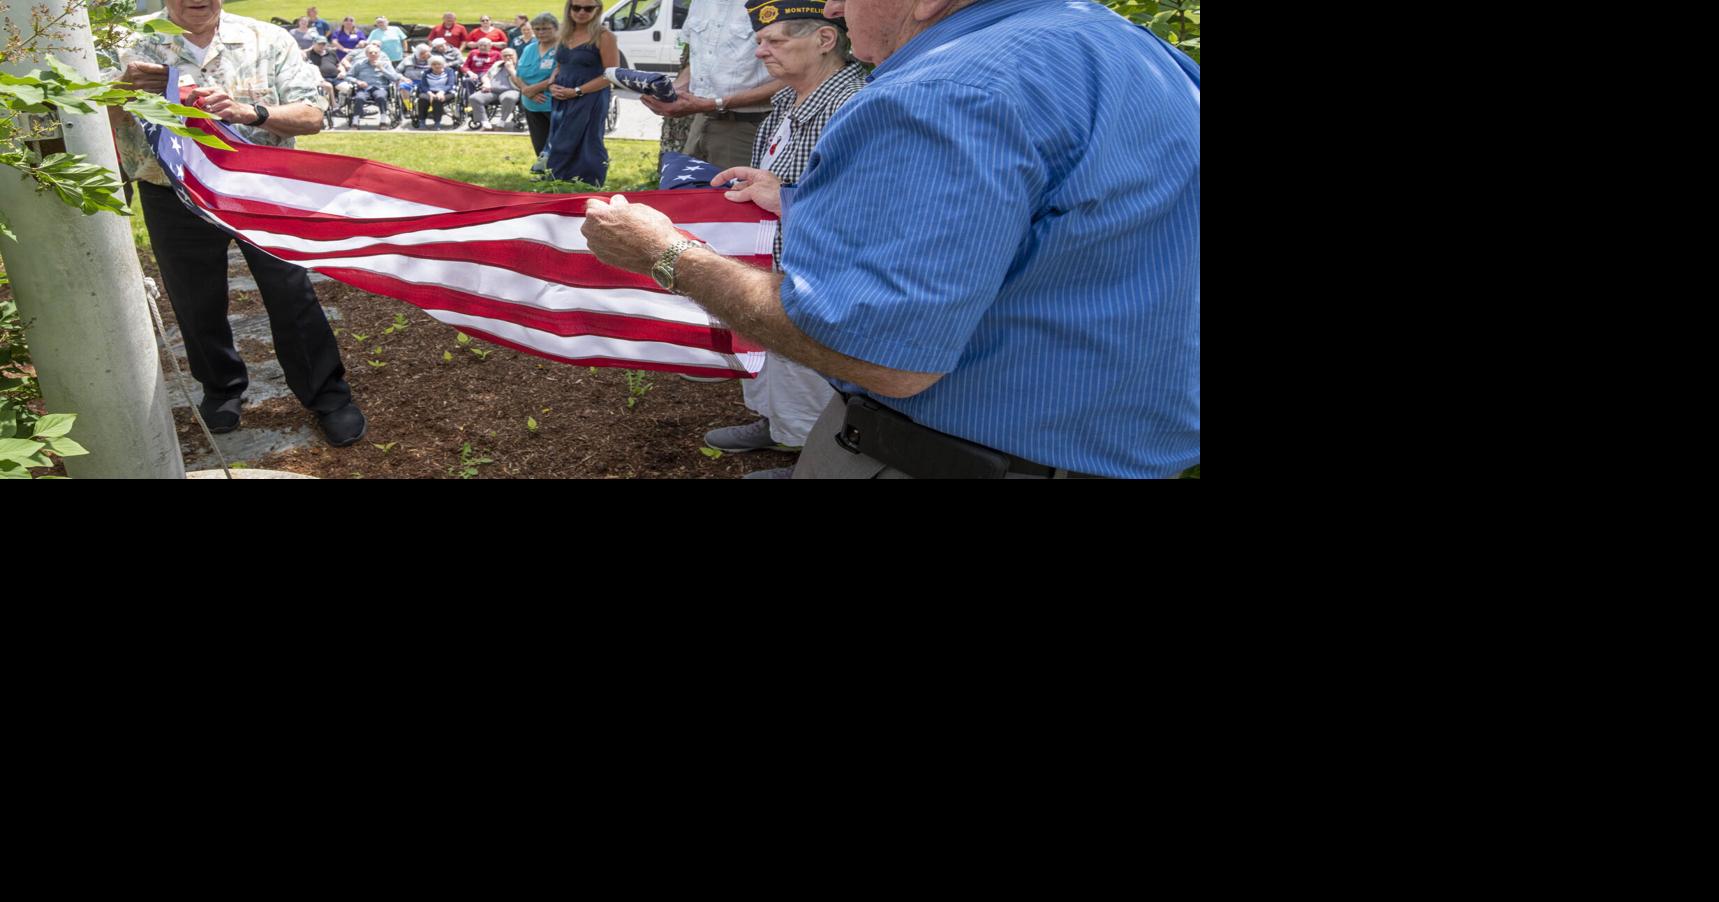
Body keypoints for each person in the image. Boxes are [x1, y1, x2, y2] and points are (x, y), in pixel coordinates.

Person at [581, 0, 1200, 478]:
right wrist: (792, 199)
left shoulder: (945, 89)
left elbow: (881, 352)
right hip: (1114, 449)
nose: (833, 8)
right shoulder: (1131, 47)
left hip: (945, 455)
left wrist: (667, 255)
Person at [110, 0, 365, 446]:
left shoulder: (268, 39)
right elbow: (86, 119)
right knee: (195, 300)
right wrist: (119, 91)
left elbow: (312, 116)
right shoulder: (124, 44)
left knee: (291, 293)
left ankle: (327, 396)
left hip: (262, 189)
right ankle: (221, 388)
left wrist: (252, 113)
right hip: (173, 193)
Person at [700, 1, 865, 475]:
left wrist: (786, 197)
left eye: (775, 41)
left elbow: (863, 198)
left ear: (825, 39)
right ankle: (778, 423)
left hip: (820, 268)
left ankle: (816, 454)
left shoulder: (851, 104)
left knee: (808, 359)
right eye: (759, 41)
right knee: (769, 341)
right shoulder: (786, 103)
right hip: (775, 255)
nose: (760, 52)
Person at [641, 0, 783, 172]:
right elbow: (701, 59)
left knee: (736, 188)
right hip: (701, 121)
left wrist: (715, 103)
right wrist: (673, 90)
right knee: (688, 186)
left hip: (748, 127)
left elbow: (792, 79)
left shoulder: (778, 3)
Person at [546, 0, 616, 185]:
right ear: (569, 9)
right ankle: (557, 183)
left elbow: (611, 75)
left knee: (588, 142)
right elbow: (560, 66)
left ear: (597, 10)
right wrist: (552, 84)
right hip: (562, 97)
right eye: (576, 7)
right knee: (560, 139)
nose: (581, 12)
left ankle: (589, 185)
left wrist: (577, 91)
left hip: (590, 97)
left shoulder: (604, 36)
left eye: (588, 8)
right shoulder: (564, 33)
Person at [513, 12, 559, 162]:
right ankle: (544, 170)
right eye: (537, 29)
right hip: (530, 104)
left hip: (554, 105)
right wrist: (527, 91)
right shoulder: (529, 48)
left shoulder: (562, 49)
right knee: (539, 145)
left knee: (558, 145)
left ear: (556, 29)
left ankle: (560, 172)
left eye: (546, 28)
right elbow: (518, 74)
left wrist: (532, 89)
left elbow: (560, 75)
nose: (541, 32)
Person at [342, 44, 400, 123]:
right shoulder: (359, 64)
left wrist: (382, 69)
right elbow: (348, 76)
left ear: (379, 54)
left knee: (381, 97)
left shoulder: (385, 64)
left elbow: (395, 78)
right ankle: (355, 121)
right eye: (370, 52)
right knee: (359, 98)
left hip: (380, 88)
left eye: (375, 52)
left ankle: (383, 120)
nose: (373, 54)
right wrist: (358, 81)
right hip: (364, 88)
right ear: (366, 54)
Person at [471, 47, 520, 129]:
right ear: (502, 57)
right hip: (491, 90)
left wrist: (511, 69)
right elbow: (485, 76)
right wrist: (486, 83)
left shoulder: (521, 66)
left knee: (509, 98)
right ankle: (485, 122)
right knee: (474, 98)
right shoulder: (497, 64)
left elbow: (519, 82)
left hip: (511, 90)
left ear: (516, 56)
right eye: (505, 56)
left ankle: (502, 122)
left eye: (510, 55)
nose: (508, 57)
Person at [415, 55, 457, 128]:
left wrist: (441, 92)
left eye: (439, 64)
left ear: (443, 64)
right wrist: (430, 93)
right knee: (422, 98)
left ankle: (437, 123)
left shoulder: (449, 71)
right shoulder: (426, 72)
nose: (437, 66)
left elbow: (450, 84)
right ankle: (422, 121)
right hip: (429, 92)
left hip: (446, 92)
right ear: (430, 65)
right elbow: (424, 85)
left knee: (437, 99)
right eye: (434, 64)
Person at [305, 33, 345, 108]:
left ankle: (342, 107)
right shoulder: (308, 54)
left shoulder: (331, 52)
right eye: (319, 44)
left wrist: (343, 71)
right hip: (321, 79)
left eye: (323, 44)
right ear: (314, 44)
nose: (321, 46)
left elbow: (339, 65)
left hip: (336, 78)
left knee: (347, 88)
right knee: (328, 86)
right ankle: (334, 106)